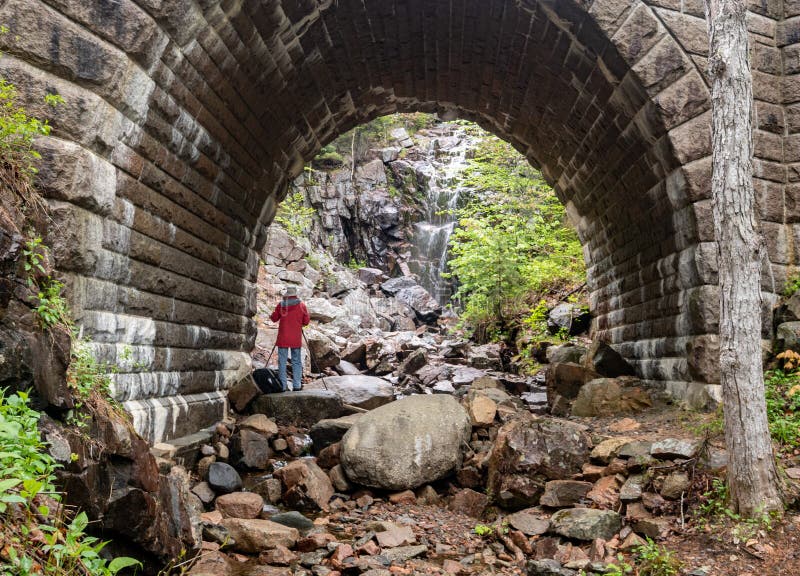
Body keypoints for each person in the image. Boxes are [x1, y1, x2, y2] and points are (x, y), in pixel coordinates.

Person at [270, 286, 310, 391]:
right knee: (296, 361)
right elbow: (306, 322)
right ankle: (297, 385)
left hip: (283, 337)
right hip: (295, 338)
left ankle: (282, 386)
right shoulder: (302, 306)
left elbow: (274, 319)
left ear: (287, 295)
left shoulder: (281, 305)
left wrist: (273, 313)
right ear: (296, 295)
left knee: (282, 362)